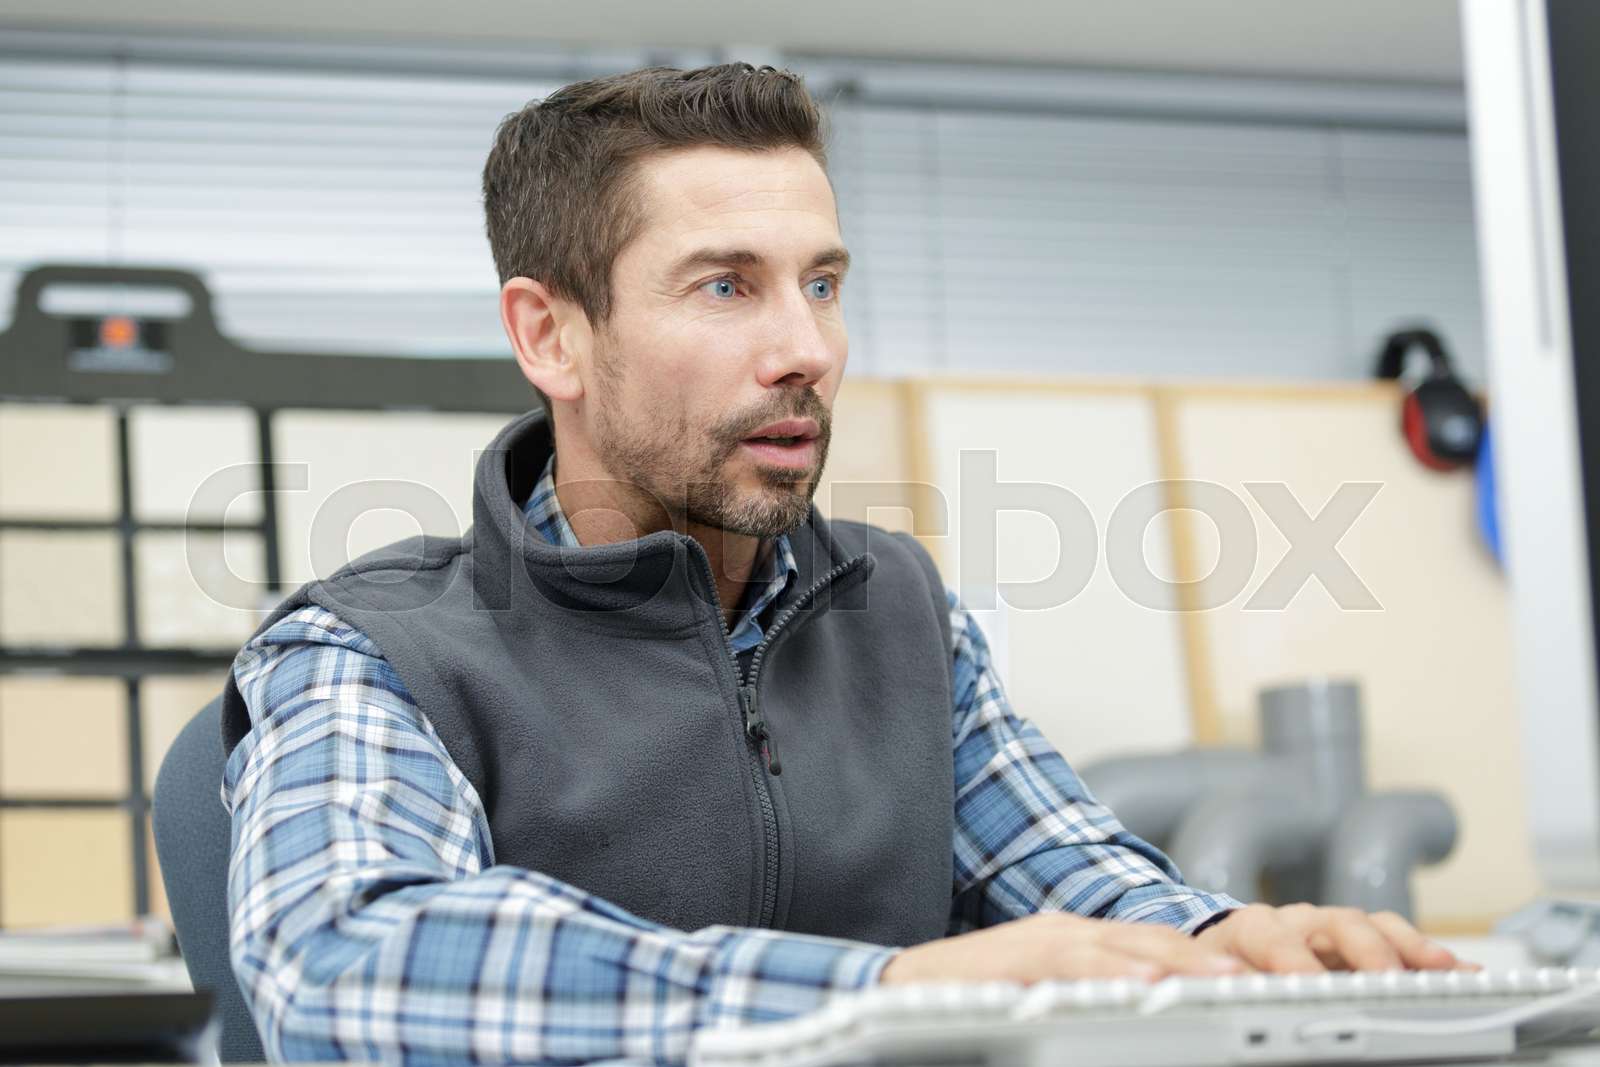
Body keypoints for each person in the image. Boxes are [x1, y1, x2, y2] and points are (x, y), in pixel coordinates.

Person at [220, 63, 1465, 1066]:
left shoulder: (899, 610)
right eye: (726, 287)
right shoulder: (371, 650)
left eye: (822, 283)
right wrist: (882, 992)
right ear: (549, 334)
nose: (806, 346)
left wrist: (1232, 936)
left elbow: (1068, 870)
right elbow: (345, 962)